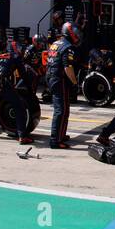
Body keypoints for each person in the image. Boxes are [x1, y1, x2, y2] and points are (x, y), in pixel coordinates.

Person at [0, 41, 35, 144]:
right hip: (0, 80)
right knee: (19, 106)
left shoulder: (0, 56)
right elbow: (23, 75)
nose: (21, 50)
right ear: (14, 48)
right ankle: (22, 136)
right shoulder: (15, 56)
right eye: (19, 47)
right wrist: (30, 89)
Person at [46, 21, 81, 149]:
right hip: (59, 79)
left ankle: (61, 134)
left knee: (64, 109)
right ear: (70, 32)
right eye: (75, 33)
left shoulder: (55, 43)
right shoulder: (67, 46)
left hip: (51, 77)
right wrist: (75, 83)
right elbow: (68, 68)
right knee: (61, 110)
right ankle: (55, 140)